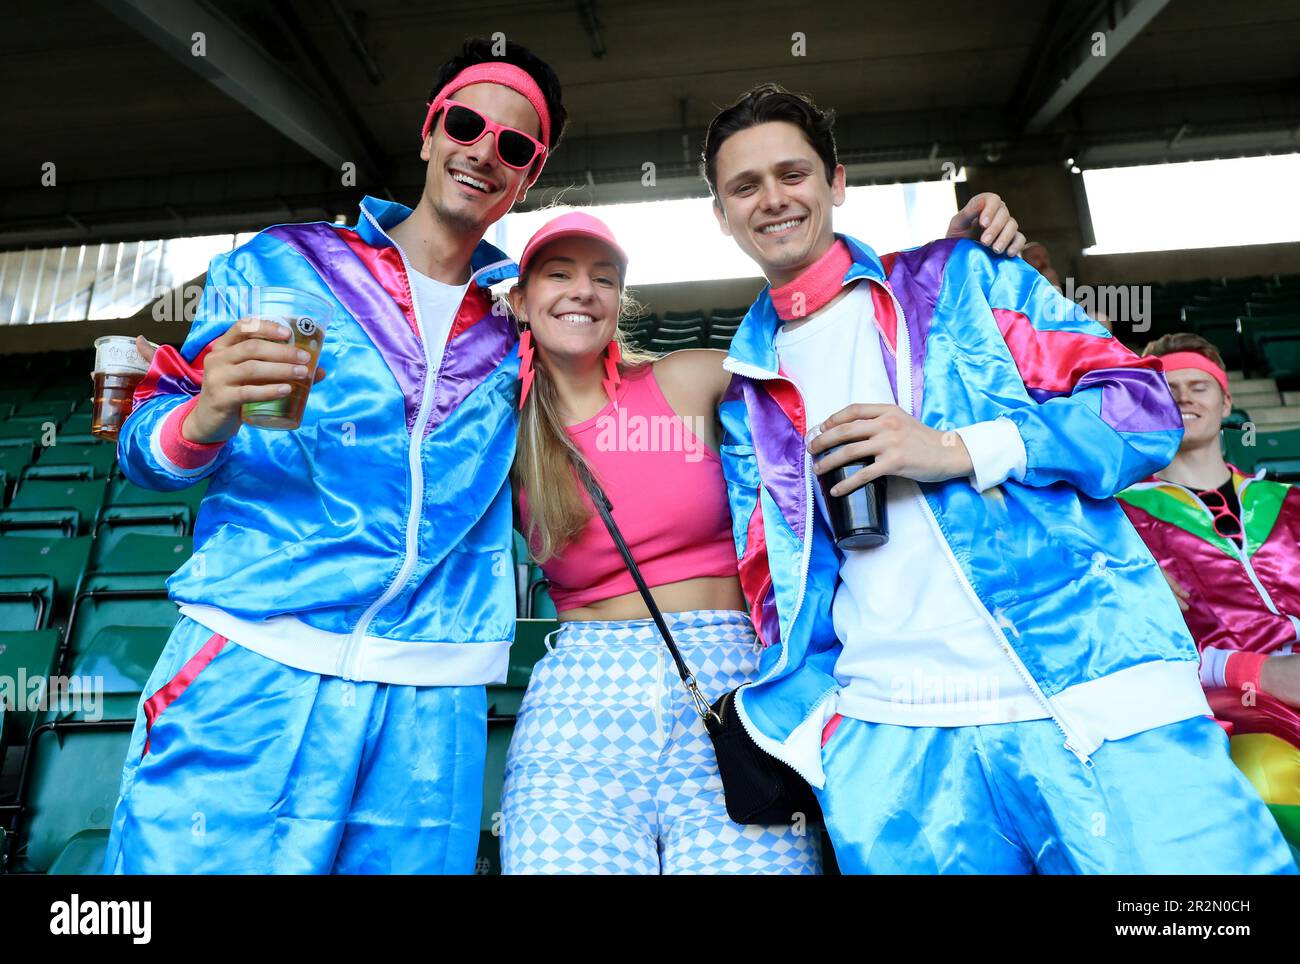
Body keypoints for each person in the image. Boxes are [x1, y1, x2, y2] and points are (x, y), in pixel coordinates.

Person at [702, 83, 1296, 874]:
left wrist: (959, 448)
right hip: (893, 744)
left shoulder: (961, 279)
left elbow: (1143, 408)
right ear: (720, 214)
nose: (772, 200)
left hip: (1093, 694)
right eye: (745, 186)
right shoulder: (748, 390)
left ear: (836, 182)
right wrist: (833, 730)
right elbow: (776, 588)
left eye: (793, 174)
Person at [103, 38, 566, 874]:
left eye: (514, 146)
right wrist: (205, 411)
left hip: (432, 697)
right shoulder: (283, 261)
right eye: (466, 123)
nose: (483, 152)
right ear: (429, 132)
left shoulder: (513, 336)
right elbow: (145, 445)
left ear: (527, 177)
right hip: (251, 660)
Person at [499, 196, 1025, 874]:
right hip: (581, 699)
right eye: (558, 274)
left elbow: (832, 356)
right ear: (519, 299)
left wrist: (937, 272)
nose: (583, 290)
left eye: (603, 276)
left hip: (727, 680)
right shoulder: (501, 429)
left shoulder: (684, 381)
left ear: (620, 299)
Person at [1118, 334, 1300, 858]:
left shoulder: (1290, 503)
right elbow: (1125, 649)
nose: (1186, 398)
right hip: (1220, 704)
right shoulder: (1121, 520)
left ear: (1226, 402)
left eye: (1199, 386)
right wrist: (1254, 673)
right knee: (1267, 780)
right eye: (1168, 390)